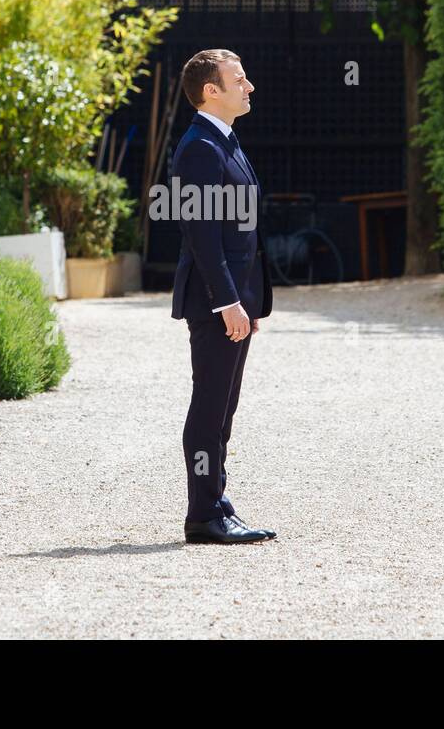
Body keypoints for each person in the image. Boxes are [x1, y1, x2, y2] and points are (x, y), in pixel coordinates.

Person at [169, 49, 275, 544]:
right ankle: (203, 515)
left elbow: (245, 231)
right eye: (239, 78)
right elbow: (201, 233)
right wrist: (227, 302)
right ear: (212, 90)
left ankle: (217, 503)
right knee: (209, 407)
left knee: (224, 408)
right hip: (216, 303)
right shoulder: (199, 149)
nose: (249, 86)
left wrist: (250, 302)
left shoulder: (226, 141)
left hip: (236, 301)